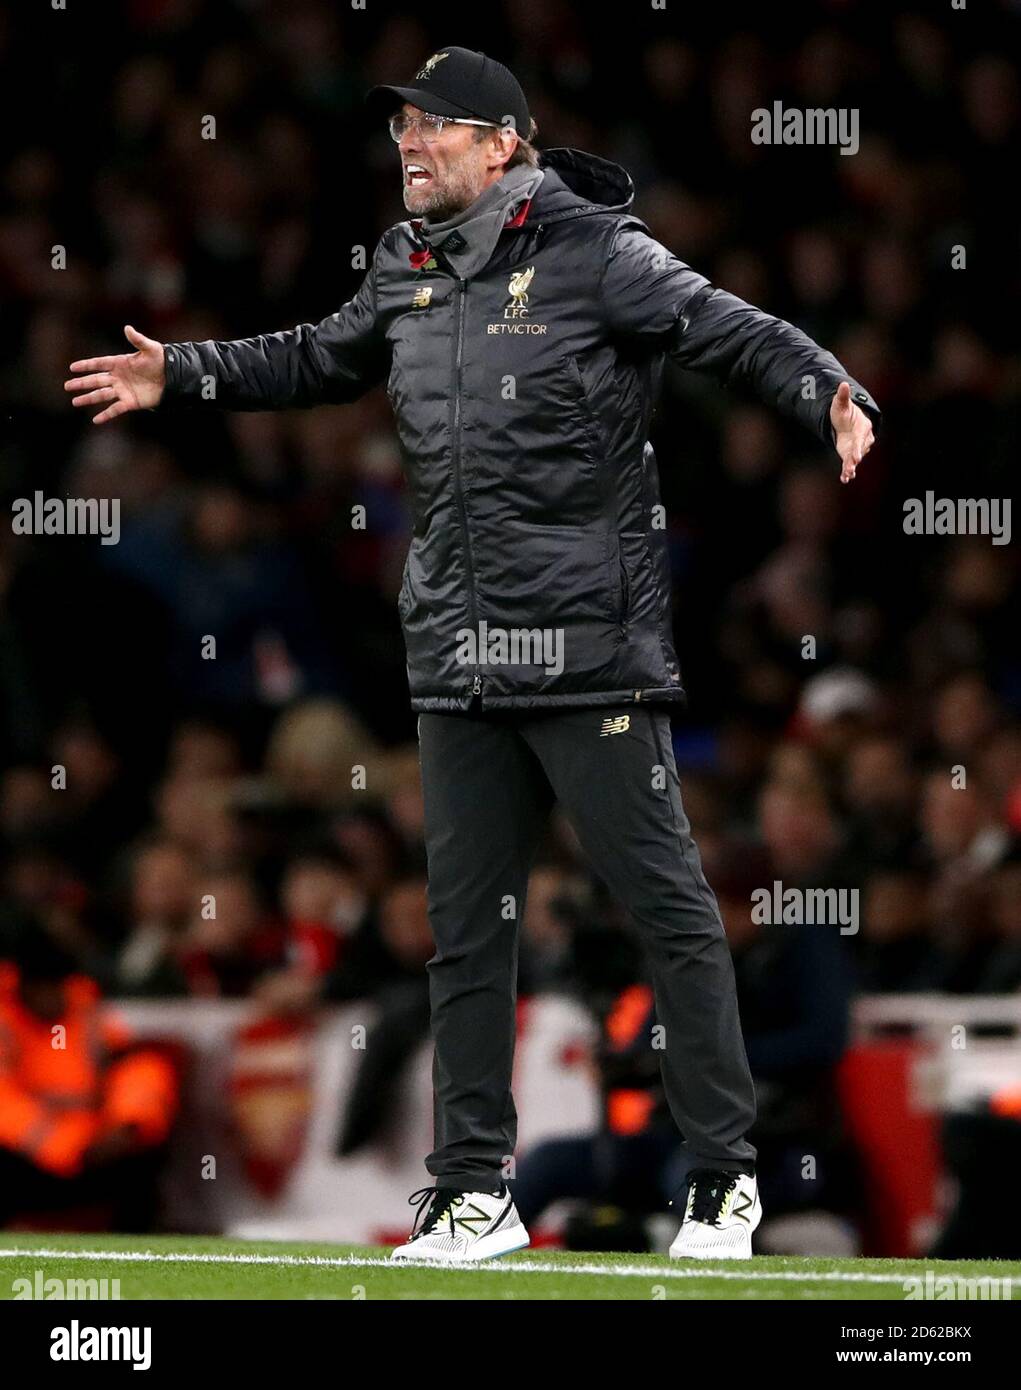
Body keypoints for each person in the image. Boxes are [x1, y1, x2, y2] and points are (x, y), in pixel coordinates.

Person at [65, 45, 880, 1262]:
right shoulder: (405, 264)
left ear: (504, 144)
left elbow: (728, 328)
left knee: (667, 911)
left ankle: (722, 1184)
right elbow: (314, 356)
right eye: (401, 126)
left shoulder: (600, 252)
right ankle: (471, 1195)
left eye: (436, 127)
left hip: (589, 652)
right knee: (465, 930)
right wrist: (181, 371)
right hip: (455, 651)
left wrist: (826, 389)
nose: (409, 143)